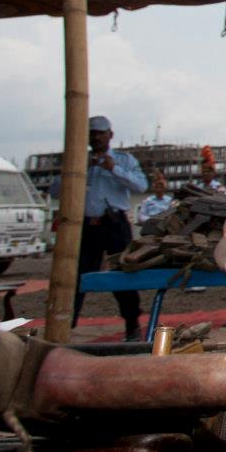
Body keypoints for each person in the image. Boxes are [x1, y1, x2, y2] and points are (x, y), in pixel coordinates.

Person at [49, 114, 149, 340]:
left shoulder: (124, 160)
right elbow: (54, 191)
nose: (96, 138)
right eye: (92, 134)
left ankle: (132, 323)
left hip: (113, 223)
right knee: (75, 276)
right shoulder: (78, 160)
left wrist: (114, 169)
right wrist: (77, 169)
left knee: (123, 275)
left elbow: (141, 185)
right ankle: (66, 325)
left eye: (100, 133)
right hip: (85, 226)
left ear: (110, 135)